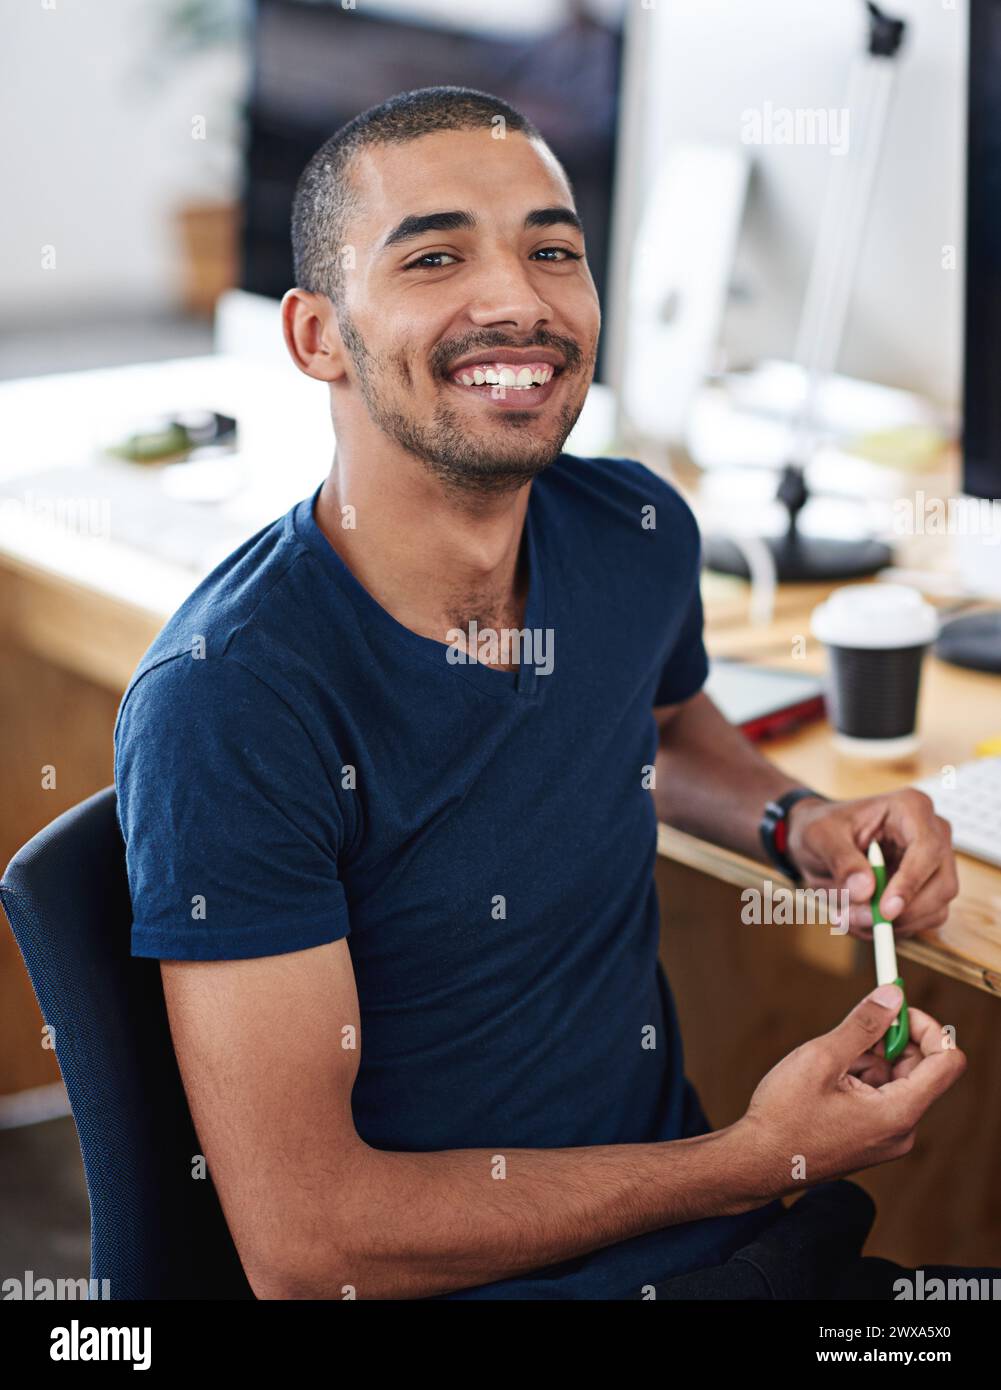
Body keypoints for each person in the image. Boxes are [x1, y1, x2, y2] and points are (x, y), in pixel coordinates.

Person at [115, 87, 975, 1301]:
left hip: (716, 1241)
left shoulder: (631, 528)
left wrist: (794, 820)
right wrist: (745, 1157)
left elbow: (660, 724)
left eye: (553, 250)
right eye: (434, 255)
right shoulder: (228, 701)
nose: (518, 299)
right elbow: (309, 1243)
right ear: (316, 338)